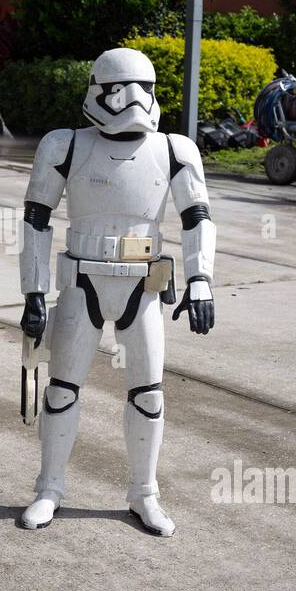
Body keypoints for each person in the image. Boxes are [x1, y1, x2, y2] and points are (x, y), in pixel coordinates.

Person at [15, 47, 217, 536]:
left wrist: (201, 278)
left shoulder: (173, 149)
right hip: (81, 280)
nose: (132, 101)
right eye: (121, 89)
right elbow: (36, 217)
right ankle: (49, 488)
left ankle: (144, 492)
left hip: (142, 285)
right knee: (62, 390)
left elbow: (198, 216)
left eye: (143, 89)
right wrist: (34, 291)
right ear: (98, 91)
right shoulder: (65, 145)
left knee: (148, 393)